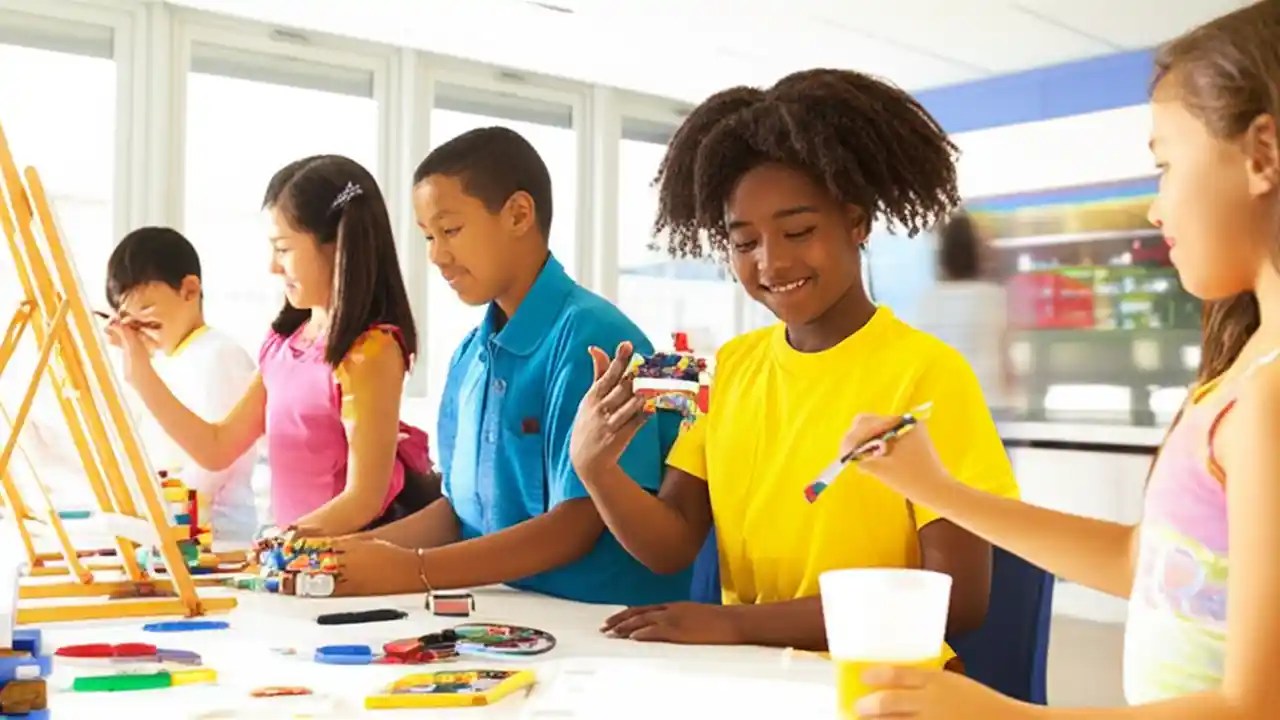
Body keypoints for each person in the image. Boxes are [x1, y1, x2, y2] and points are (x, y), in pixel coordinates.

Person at [840, 4, 1280, 718]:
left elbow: (1256, 706)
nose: (1154, 208)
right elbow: (1141, 564)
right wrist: (939, 489)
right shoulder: (1243, 374)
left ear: (1262, 152)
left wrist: (1004, 715)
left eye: (1164, 165)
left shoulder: (1270, 399)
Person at [571, 69, 1019, 655]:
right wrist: (596, 468)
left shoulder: (929, 373)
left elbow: (958, 600)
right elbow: (672, 545)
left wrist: (735, 625)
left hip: (881, 688)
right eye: (744, 242)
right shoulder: (728, 367)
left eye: (798, 230)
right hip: (757, 681)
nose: (772, 263)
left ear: (855, 222)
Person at [326, 127, 691, 605]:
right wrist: (346, 553)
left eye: (451, 230)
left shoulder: (599, 340)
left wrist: (414, 570)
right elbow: (460, 514)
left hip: (607, 629)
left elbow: (577, 525)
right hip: (518, 619)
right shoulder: (468, 358)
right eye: (428, 237)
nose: (437, 255)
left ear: (519, 214)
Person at [109, 155, 437, 538]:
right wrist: (139, 371)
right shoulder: (284, 344)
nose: (272, 266)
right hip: (295, 561)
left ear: (336, 246)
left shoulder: (372, 352)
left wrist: (280, 544)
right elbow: (216, 448)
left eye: (283, 249)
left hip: (338, 569)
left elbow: (364, 497)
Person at [103, 227, 259, 547]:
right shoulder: (164, 361)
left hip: (219, 535)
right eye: (132, 322)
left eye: (149, 318)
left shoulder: (219, 354)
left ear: (189, 290)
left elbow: (214, 464)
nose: (140, 329)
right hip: (176, 531)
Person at [914, 211, 1015, 413]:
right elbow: (1006, 364)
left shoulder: (928, 301)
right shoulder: (994, 297)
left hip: (945, 406)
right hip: (990, 403)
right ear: (976, 253)